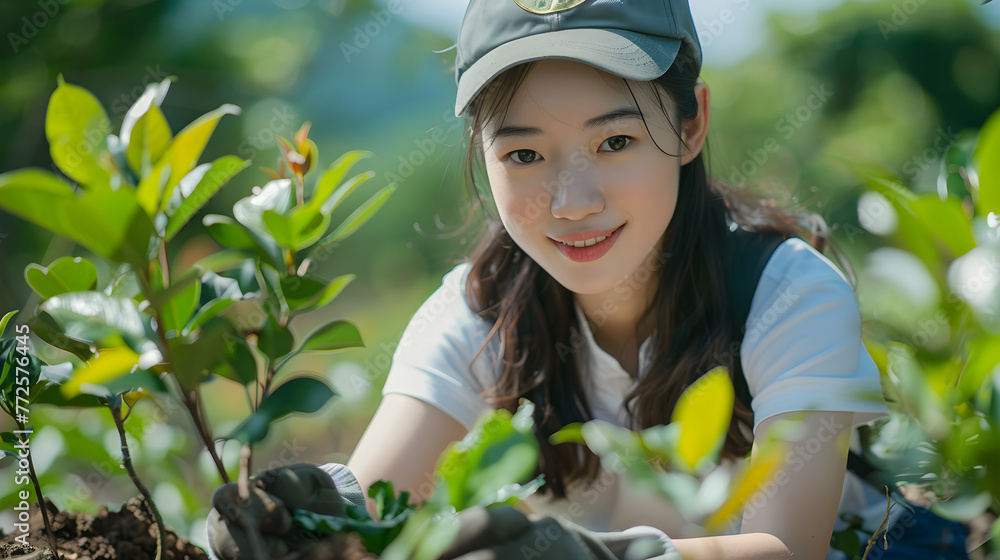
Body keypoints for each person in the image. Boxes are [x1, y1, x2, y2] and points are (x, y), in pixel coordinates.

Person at [209, 1, 972, 559]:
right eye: (524, 155)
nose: (572, 203)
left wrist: (603, 556)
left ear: (691, 124)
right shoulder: (480, 312)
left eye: (614, 141)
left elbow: (785, 550)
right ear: (481, 155)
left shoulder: (783, 295)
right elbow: (374, 506)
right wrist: (301, 520)